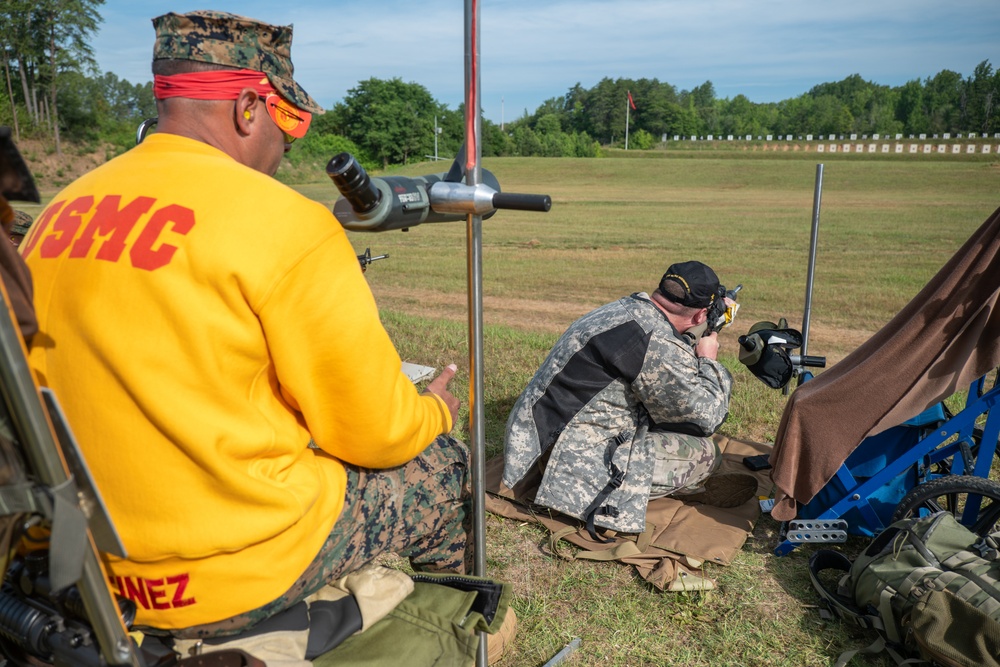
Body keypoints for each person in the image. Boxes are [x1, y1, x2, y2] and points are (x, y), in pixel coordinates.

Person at [22, 10, 472, 640]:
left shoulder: (59, 211)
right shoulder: (288, 223)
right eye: (288, 121)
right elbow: (376, 436)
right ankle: (450, 629)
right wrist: (435, 410)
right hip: (220, 580)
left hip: (76, 563)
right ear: (247, 108)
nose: (288, 145)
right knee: (442, 464)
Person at [501, 260, 756, 539]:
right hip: (571, 467)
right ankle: (690, 488)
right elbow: (706, 418)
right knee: (708, 453)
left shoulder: (623, 309)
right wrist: (708, 359)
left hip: (534, 441)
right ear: (700, 317)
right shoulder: (656, 342)